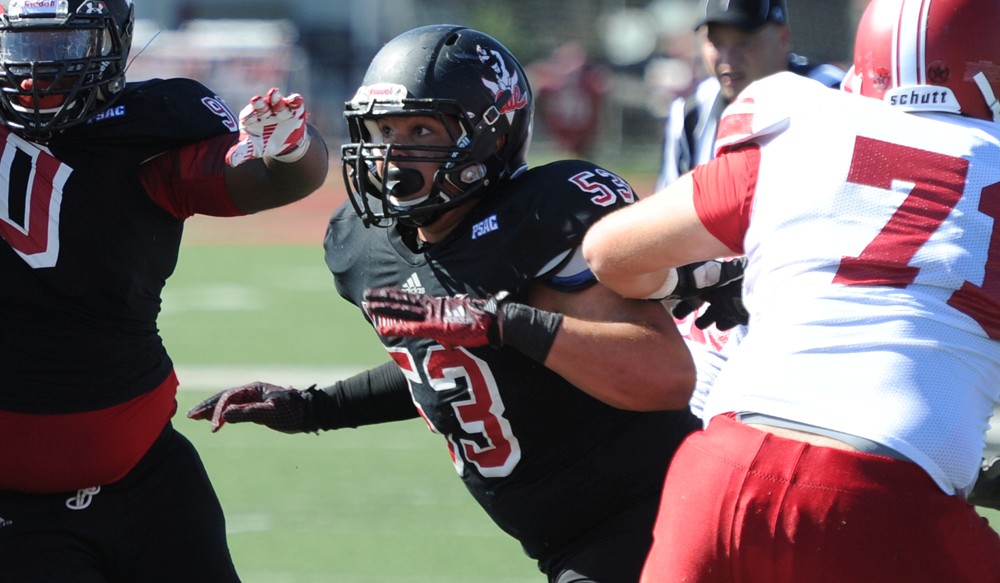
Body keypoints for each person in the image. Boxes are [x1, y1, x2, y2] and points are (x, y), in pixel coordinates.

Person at [187, 24, 709, 583]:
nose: (392, 151)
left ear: (492, 136)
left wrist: (503, 321)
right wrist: (315, 409)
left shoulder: (541, 217)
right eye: (383, 129)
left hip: (660, 512)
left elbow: (665, 376)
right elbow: (446, 366)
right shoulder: (362, 245)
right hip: (570, 541)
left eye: (421, 129)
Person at [582, 0, 1000, 580]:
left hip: (718, 477)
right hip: (889, 497)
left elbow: (609, 253)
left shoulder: (798, 130)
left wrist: (710, 278)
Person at [0, 1, 329, 581]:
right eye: (23, 45)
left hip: (149, 481)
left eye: (62, 44)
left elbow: (262, 176)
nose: (36, 68)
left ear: (113, 43)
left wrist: (290, 147)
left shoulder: (146, 127)